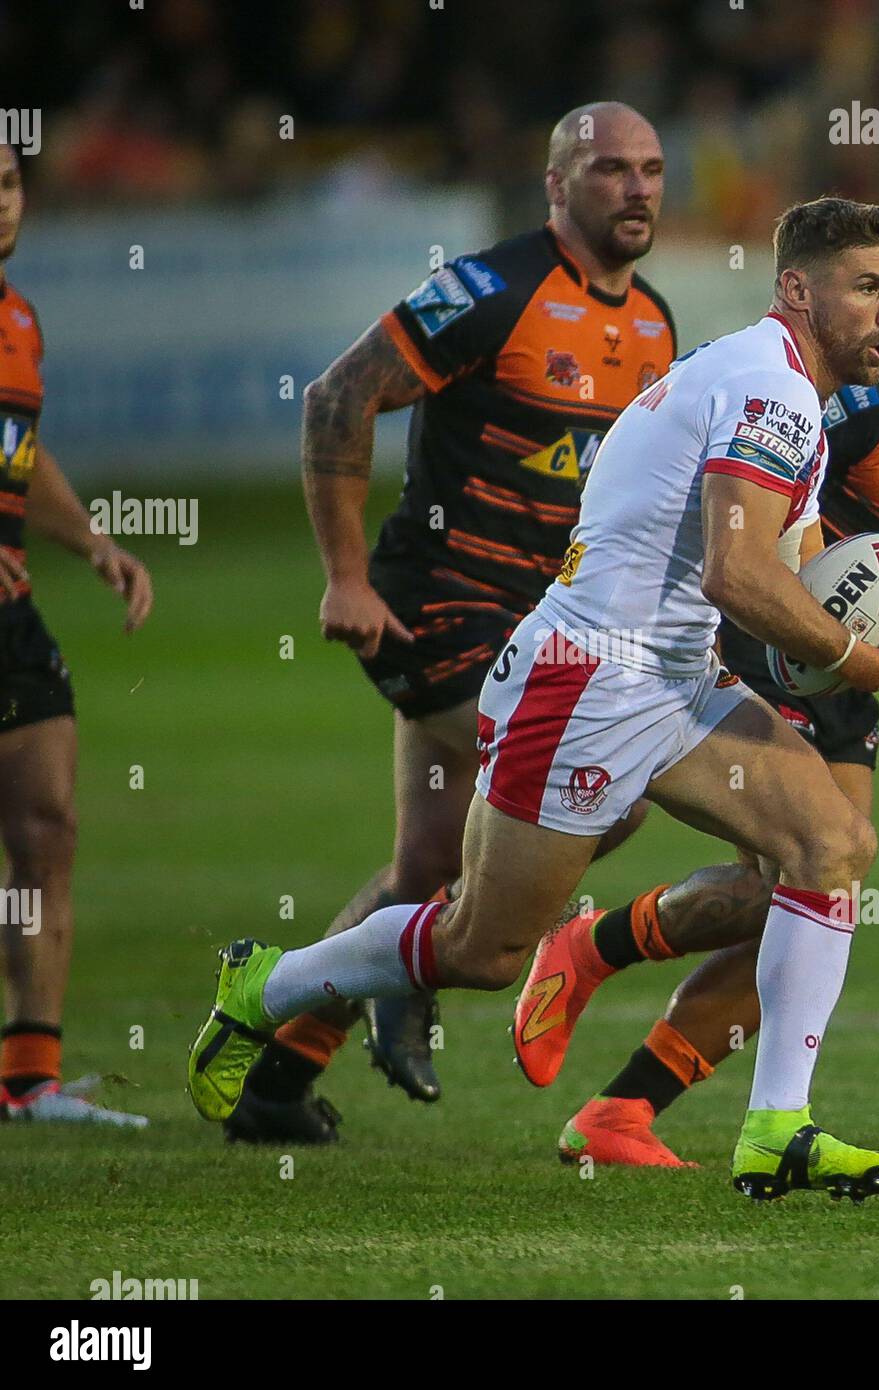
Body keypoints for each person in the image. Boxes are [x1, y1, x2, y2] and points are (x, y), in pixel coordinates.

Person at [189, 196, 879, 1204]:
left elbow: (797, 559)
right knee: (480, 948)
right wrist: (867, 667)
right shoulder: (768, 390)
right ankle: (265, 984)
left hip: (673, 678)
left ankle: (776, 1128)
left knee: (831, 844)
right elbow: (736, 577)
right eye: (864, 288)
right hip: (585, 679)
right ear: (797, 290)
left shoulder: (779, 388)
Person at [512, 206, 879, 1168]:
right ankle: (635, 1027)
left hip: (848, 664)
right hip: (755, 635)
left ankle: (611, 1066)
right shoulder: (870, 387)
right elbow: (749, 515)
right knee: (811, 867)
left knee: (819, 879)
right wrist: (835, 632)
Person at [227, 102, 675, 1143]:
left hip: (543, 625)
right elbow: (337, 397)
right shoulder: (490, 289)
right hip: (434, 609)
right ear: (556, 185)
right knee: (610, 788)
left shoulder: (652, 321)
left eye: (652, 169)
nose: (639, 188)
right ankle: (418, 968)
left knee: (429, 863)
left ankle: (279, 1079)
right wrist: (344, 577)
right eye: (611, 169)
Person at [0, 144, 154, 1126]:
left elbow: (20, 450)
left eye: (8, 185)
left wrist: (93, 541)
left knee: (47, 822)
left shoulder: (17, 318)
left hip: (9, 612)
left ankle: (29, 1079)